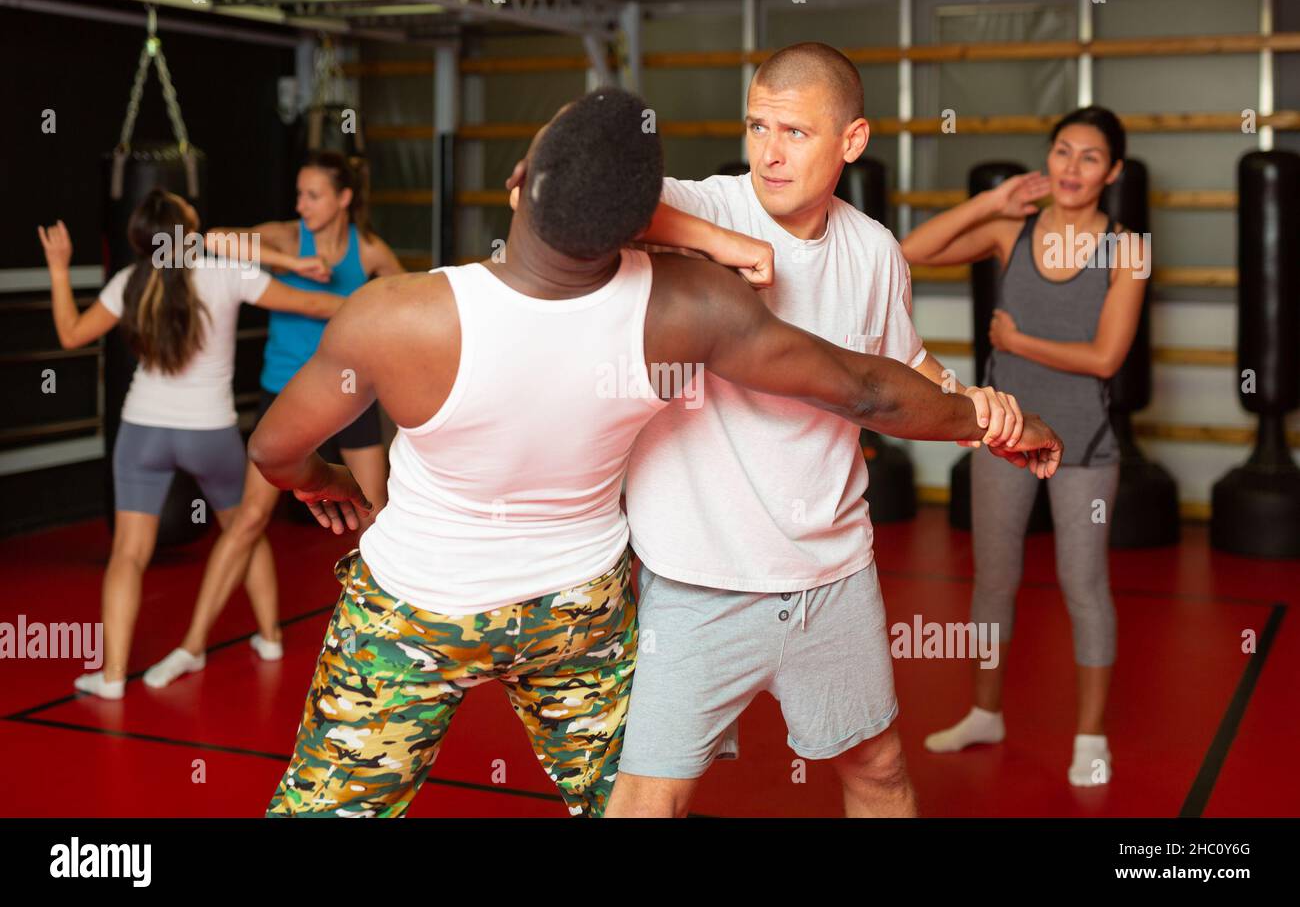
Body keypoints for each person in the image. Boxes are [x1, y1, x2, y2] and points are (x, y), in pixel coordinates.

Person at [247, 87, 1062, 817]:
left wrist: (319, 481)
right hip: (579, 614)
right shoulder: (687, 305)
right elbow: (866, 390)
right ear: (646, 216)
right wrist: (987, 421)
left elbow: (275, 449)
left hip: (415, 607)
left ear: (522, 180)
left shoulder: (397, 316)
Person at [606, 42, 1021, 819]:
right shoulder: (703, 208)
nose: (768, 152)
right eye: (758, 126)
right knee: (646, 802)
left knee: (880, 772)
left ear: (851, 142)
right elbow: (565, 191)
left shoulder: (872, 251)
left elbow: (902, 361)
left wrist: (974, 409)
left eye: (794, 132)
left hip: (832, 580)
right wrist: (724, 247)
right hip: (700, 581)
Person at [902, 106, 1147, 786]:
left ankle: (1090, 736)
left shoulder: (1128, 249)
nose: (1072, 168)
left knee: (1084, 584)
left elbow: (1105, 358)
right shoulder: (1014, 229)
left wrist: (1016, 343)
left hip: (1084, 446)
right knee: (993, 581)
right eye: (1062, 152)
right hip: (1002, 438)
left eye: (1090, 157)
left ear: (1114, 171)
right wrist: (990, 201)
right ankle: (985, 713)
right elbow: (909, 251)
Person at [36, 190, 343, 700]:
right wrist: (376, 302)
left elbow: (70, 334)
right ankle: (268, 637)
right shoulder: (223, 271)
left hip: (142, 432)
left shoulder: (129, 281)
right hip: (209, 434)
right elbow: (310, 303)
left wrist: (59, 266)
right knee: (244, 530)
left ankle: (112, 677)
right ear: (185, 227)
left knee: (128, 555)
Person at [143, 151, 404, 689]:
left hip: (351, 393)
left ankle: (390, 640)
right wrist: (293, 265)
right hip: (287, 396)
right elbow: (211, 238)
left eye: (312, 195)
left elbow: (405, 301)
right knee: (248, 521)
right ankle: (192, 646)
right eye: (300, 193)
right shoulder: (286, 237)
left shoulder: (370, 250)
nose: (301, 204)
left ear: (343, 199)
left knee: (379, 519)